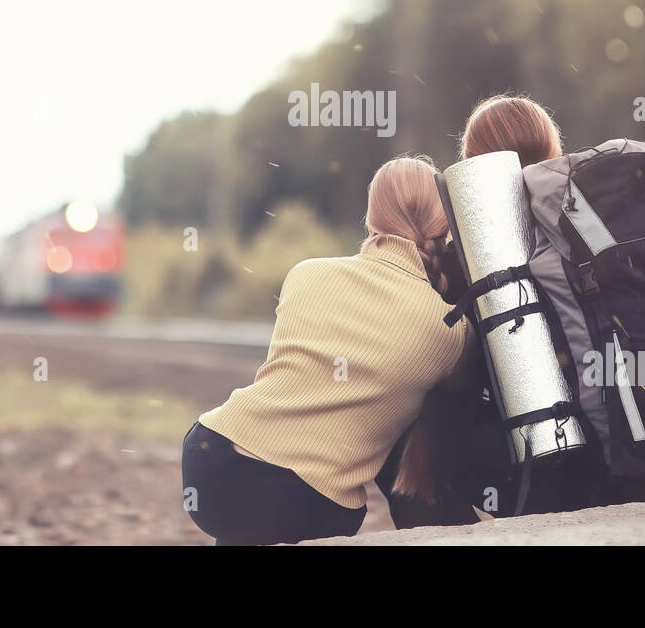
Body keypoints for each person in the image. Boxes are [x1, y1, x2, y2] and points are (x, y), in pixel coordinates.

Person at [377, 94, 645, 526]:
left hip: (565, 478)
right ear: (553, 148)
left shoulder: (477, 257)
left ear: (476, 165)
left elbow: (451, 379)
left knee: (408, 427)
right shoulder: (594, 228)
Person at [181, 155, 473, 545]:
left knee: (249, 516)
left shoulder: (305, 273)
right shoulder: (450, 331)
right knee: (308, 501)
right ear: (445, 226)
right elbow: (454, 403)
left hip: (211, 461)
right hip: (303, 501)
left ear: (371, 220)